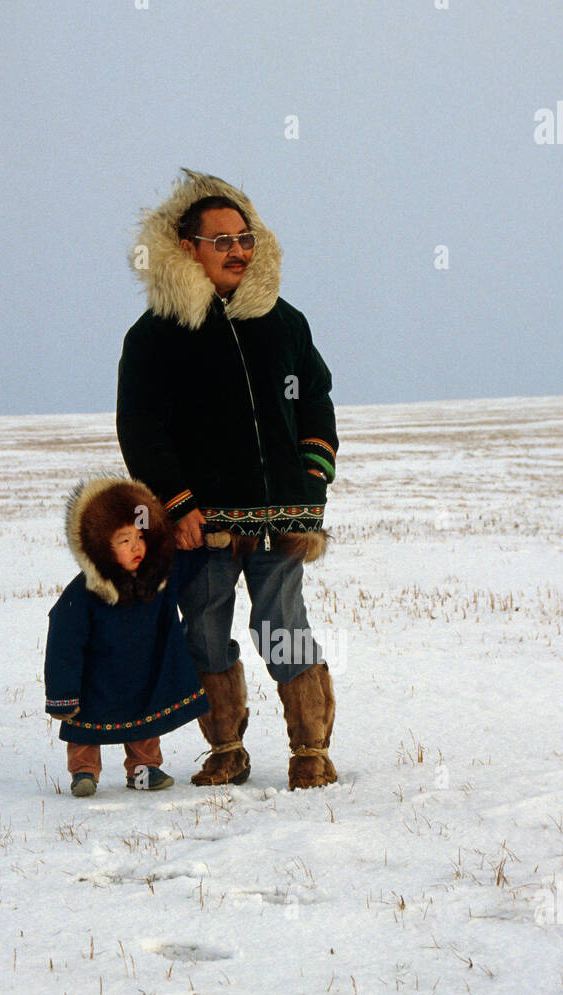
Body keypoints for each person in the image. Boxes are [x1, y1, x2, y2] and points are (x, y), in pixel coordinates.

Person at [116, 168, 339, 791]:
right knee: (206, 634)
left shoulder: (285, 322)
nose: (239, 250)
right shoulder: (157, 336)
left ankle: (310, 750)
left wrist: (313, 475)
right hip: (201, 525)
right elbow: (141, 428)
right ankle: (227, 749)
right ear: (187, 248)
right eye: (223, 241)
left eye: (245, 237)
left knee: (283, 628)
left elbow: (315, 399)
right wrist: (177, 504)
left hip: (279, 519)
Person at [44, 475, 209, 796]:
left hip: (143, 676)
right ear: (99, 546)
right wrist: (63, 694)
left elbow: (188, 564)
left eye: (140, 537)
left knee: (146, 724)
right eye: (124, 540)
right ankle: (84, 773)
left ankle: (144, 770)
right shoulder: (83, 594)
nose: (136, 547)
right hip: (96, 680)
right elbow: (63, 645)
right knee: (84, 727)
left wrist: (208, 543)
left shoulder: (157, 579)